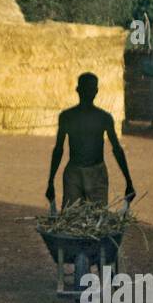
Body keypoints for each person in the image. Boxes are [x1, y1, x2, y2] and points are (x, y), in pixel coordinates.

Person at [45, 72, 136, 211]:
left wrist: (129, 181)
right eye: (86, 89)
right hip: (77, 174)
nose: (88, 92)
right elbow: (58, 149)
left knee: (92, 216)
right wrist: (50, 181)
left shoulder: (100, 118)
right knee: (76, 217)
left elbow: (117, 149)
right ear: (79, 90)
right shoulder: (71, 117)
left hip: (94, 174)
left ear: (95, 91)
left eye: (90, 89)